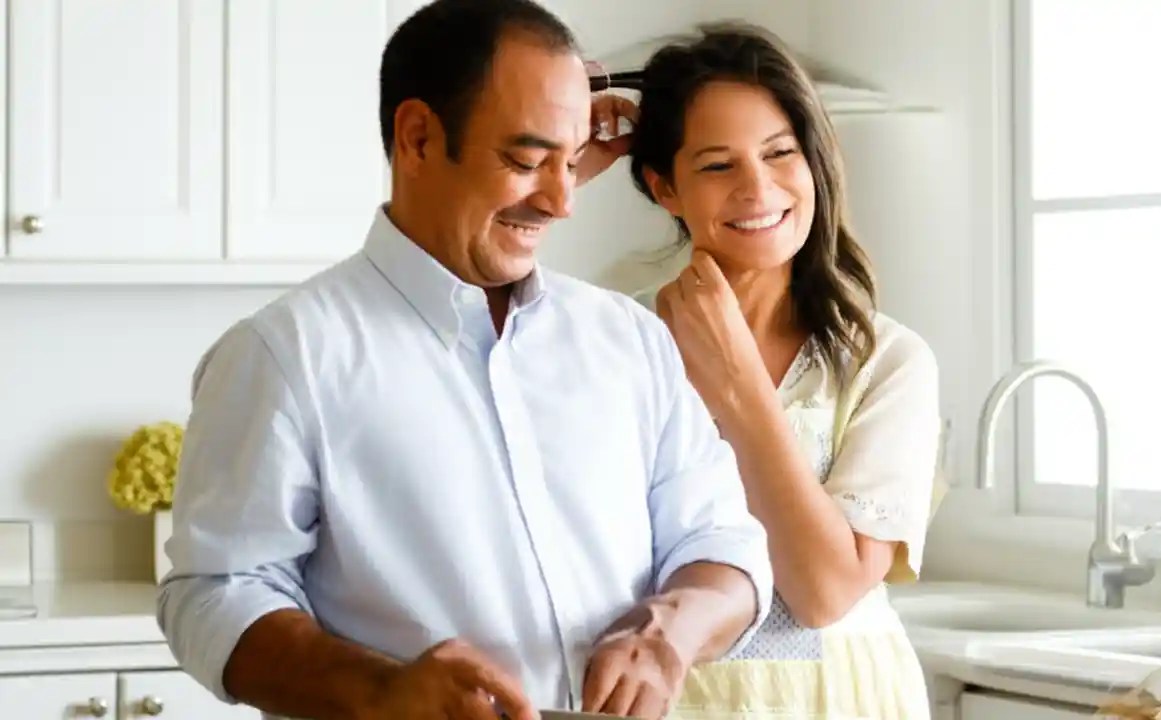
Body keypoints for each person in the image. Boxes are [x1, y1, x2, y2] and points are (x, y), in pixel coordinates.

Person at [155, 3, 773, 720]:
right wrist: (378, 690)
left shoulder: (628, 339)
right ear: (417, 137)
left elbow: (723, 541)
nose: (560, 201)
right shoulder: (284, 355)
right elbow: (214, 591)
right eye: (525, 159)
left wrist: (671, 630)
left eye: (571, 162)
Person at [626, 22, 944, 720]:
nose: (757, 187)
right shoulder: (617, 342)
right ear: (664, 186)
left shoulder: (886, 363)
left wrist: (739, 384)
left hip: (839, 702)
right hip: (665, 698)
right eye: (716, 165)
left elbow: (824, 593)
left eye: (780, 153)